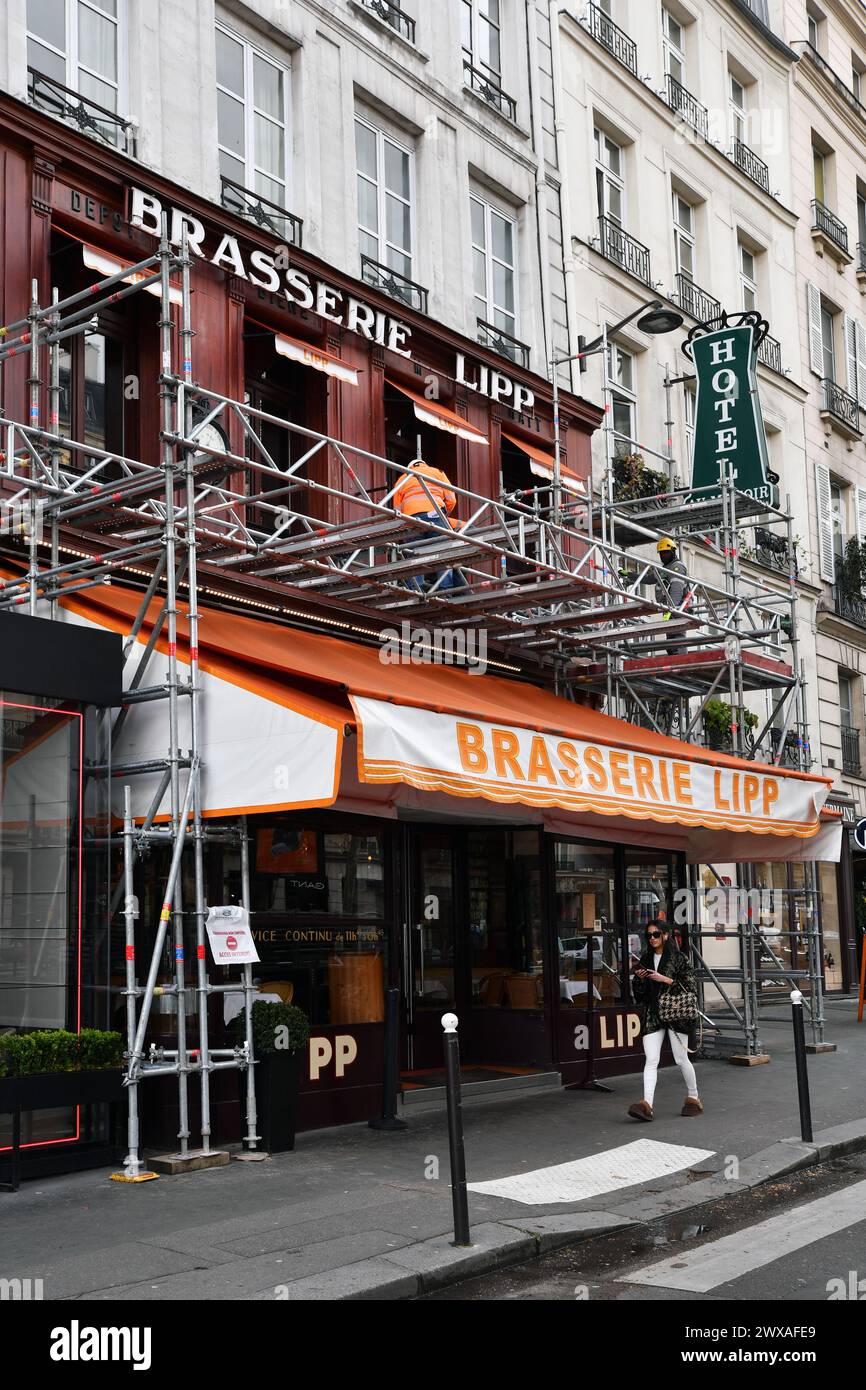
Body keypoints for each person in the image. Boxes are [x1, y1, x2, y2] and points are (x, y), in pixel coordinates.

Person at [628, 919, 703, 1121]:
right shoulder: (645, 959)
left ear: (665, 935)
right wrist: (641, 979)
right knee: (651, 1060)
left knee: (681, 1059)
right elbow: (639, 993)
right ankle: (647, 1105)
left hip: (675, 1012)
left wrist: (665, 979)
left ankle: (693, 1097)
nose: (652, 938)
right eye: (649, 935)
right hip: (653, 1014)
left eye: (656, 934)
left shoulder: (679, 959)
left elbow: (691, 987)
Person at [393, 456, 463, 592]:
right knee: (442, 550)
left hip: (412, 519)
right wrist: (443, 514)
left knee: (414, 553)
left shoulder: (403, 478)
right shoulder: (438, 473)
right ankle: (445, 590)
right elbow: (451, 499)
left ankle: (415, 588)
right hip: (435, 514)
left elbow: (397, 509)